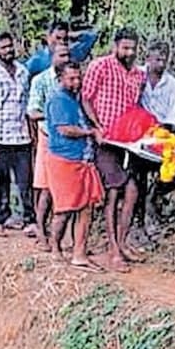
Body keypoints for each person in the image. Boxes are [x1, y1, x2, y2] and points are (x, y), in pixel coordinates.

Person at [81, 27, 147, 272]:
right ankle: (114, 250)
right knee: (113, 191)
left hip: (128, 143)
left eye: (133, 48)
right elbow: (86, 99)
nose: (129, 52)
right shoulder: (100, 66)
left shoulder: (138, 75)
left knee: (132, 191)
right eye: (125, 48)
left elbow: (135, 106)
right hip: (105, 141)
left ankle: (122, 242)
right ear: (115, 46)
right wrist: (96, 127)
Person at [45, 61, 106, 272]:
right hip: (64, 160)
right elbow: (64, 129)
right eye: (71, 78)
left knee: (86, 207)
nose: (76, 82)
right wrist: (89, 132)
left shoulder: (76, 98)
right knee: (64, 209)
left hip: (82, 159)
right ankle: (55, 249)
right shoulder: (58, 100)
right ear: (60, 79)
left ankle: (79, 253)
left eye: (78, 77)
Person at [0, 32, 34, 236]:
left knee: (25, 180)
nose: (8, 50)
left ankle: (29, 218)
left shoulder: (22, 71)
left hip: (21, 134)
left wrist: (32, 132)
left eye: (10, 46)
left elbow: (27, 105)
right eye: (3, 47)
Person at [136, 40, 175, 239]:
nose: (160, 64)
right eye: (156, 60)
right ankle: (138, 219)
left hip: (161, 133)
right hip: (137, 132)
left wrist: (158, 135)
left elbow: (171, 118)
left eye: (164, 60)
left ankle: (152, 200)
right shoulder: (137, 76)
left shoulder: (173, 85)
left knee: (174, 171)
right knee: (136, 176)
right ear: (147, 59)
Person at [26, 43, 71, 248]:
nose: (66, 58)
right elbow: (32, 112)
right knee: (46, 189)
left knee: (66, 188)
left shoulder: (73, 79)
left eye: (68, 55)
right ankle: (41, 232)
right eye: (62, 55)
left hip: (69, 140)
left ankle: (62, 237)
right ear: (52, 56)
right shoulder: (41, 80)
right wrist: (55, 117)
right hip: (48, 137)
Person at [25, 20, 98, 78]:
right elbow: (23, 77)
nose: (62, 42)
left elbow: (91, 37)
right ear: (48, 38)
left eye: (65, 39)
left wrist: (72, 35)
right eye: (58, 38)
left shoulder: (73, 54)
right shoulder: (37, 60)